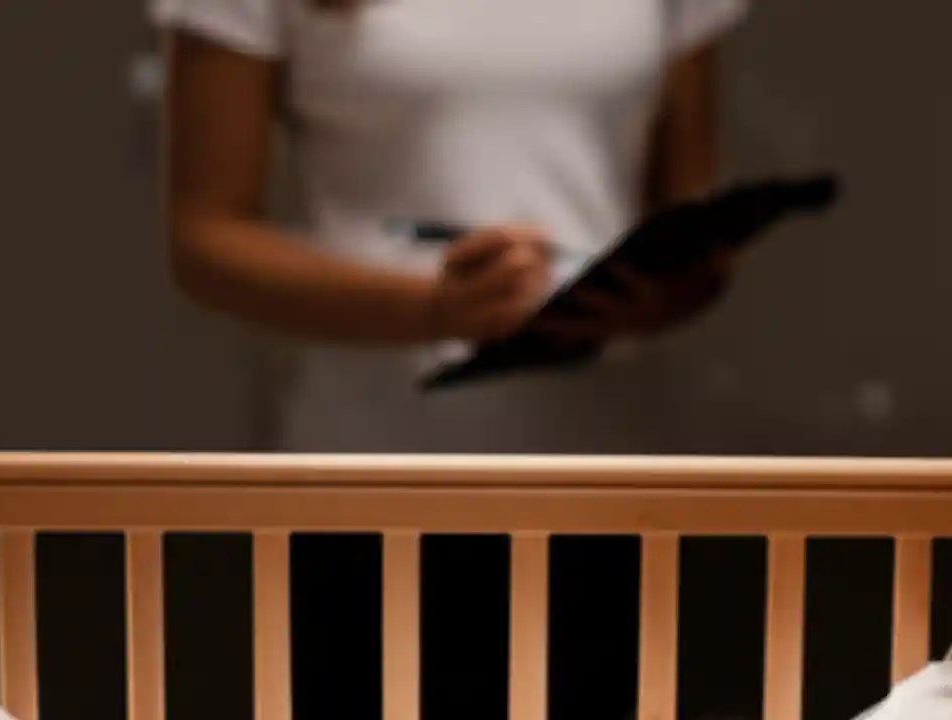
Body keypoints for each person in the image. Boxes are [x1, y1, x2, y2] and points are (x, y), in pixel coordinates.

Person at [154, 0, 749, 717]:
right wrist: (433, 309)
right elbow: (206, 235)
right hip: (366, 489)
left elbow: (689, 209)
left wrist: (662, 287)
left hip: (615, 495)